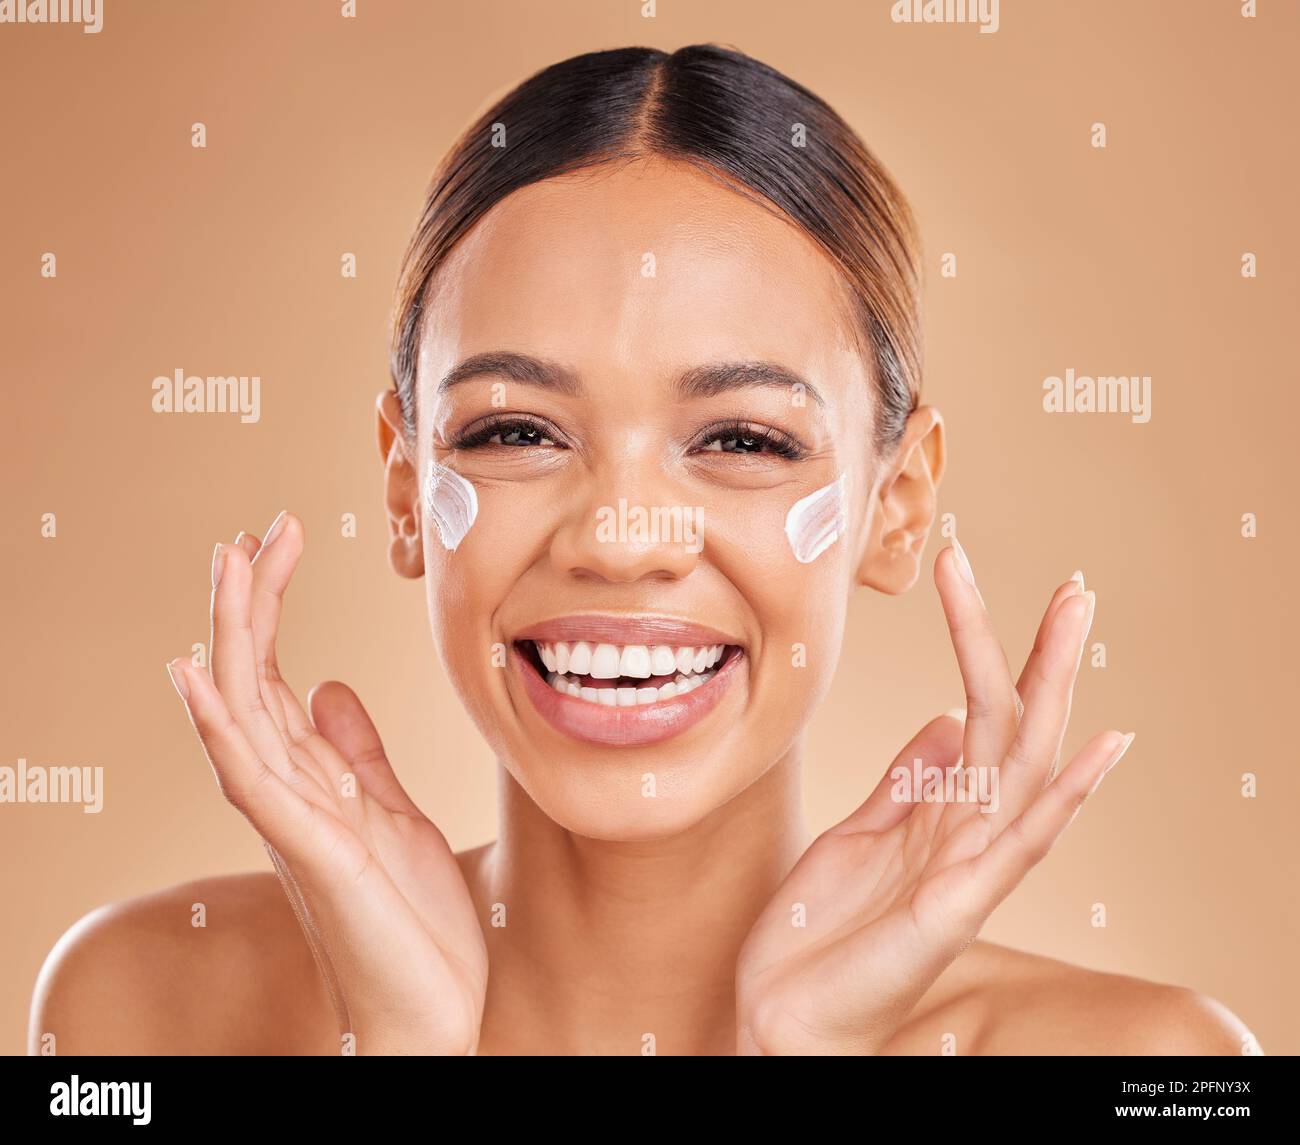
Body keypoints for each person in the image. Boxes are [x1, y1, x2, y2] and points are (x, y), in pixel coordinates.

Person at [29, 45, 1254, 1056]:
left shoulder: (1159, 1066)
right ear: (405, 488)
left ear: (896, 501)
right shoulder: (142, 1011)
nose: (620, 539)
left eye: (739, 436)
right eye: (516, 429)